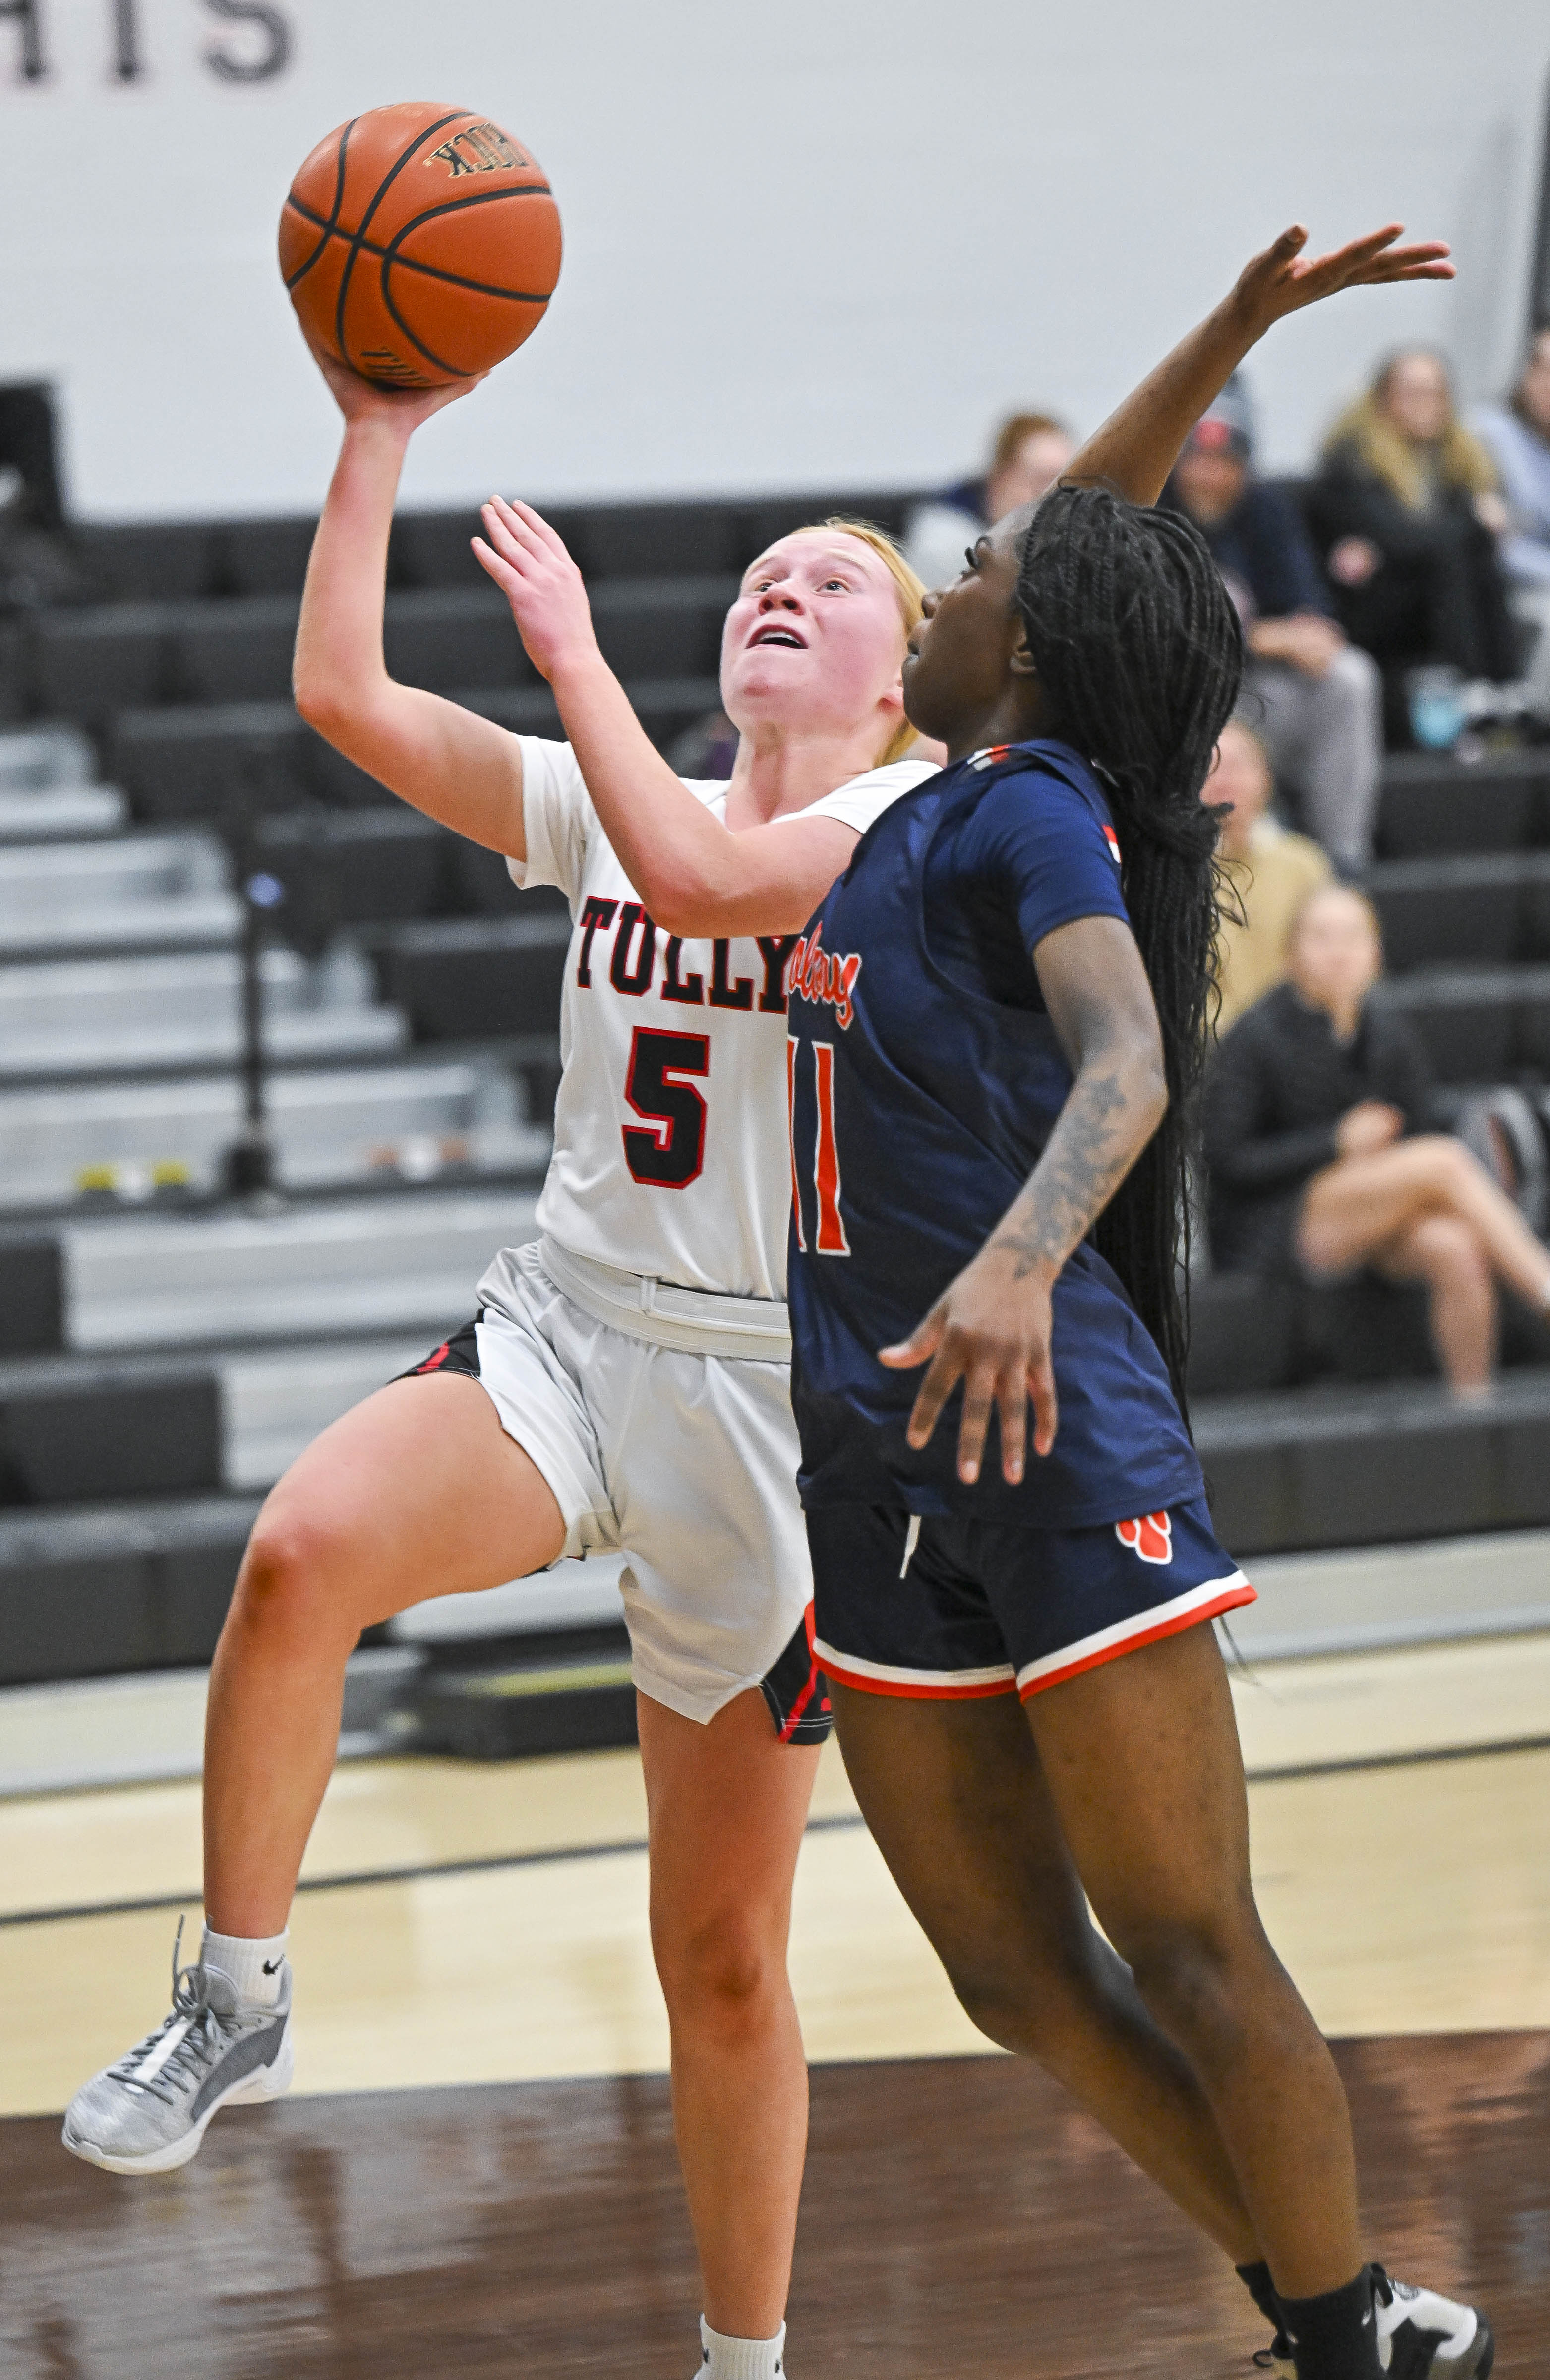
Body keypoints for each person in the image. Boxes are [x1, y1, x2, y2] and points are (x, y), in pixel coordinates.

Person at [64, 217, 1459, 2380]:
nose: (769, 589)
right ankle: (233, 1995)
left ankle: (758, 2357)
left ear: (905, 672)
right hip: (568, 1331)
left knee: (722, 1954)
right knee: (303, 1548)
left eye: (826, 579)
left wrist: (569, 657)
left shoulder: (923, 815)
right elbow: (342, 691)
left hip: (779, 1419)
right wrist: (372, 433)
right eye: (754, 572)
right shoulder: (611, 813)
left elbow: (1024, 576)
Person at [782, 488, 1493, 2380]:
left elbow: (1128, 1060)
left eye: (982, 572)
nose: (944, 590)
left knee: (1188, 1940)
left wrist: (1023, 1262)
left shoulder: (1028, 802)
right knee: (1012, 1975)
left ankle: (1343, 2333)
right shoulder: (918, 811)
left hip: (1048, 1436)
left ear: (1022, 649)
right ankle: (1344, 2315)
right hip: (873, 1463)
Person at [1203, 881, 1550, 1397]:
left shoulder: (1390, 1034)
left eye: (1352, 936)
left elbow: (1418, 1130)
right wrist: (1335, 1144)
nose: (1338, 951)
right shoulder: (1255, 1038)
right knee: (1445, 1161)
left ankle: (1474, 1417)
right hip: (1270, 1225)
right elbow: (1228, 1162)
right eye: (1321, 936)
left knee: (1456, 1248)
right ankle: (1543, 1289)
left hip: (1373, 1214)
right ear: (1290, 953)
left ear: (1376, 953)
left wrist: (1382, 1169)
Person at [1162, 379, 1382, 868]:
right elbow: (1175, 636)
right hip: (1182, 708)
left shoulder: (1266, 508)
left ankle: (1343, 860)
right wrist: (1266, 636)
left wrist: (1314, 633)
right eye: (1199, 460)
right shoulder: (1153, 515)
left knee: (1350, 676)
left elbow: (1308, 604)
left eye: (1226, 463)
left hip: (1260, 693)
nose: (1211, 475)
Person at [1308, 349, 1518, 740]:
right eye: (1413, 392)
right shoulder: (1353, 462)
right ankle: (1468, 683)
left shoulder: (1458, 462)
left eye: (1435, 392)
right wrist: (1475, 521)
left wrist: (1475, 528)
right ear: (1383, 398)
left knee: (1477, 553)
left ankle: (1505, 685)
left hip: (1428, 610)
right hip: (1366, 612)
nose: (1426, 403)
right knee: (1451, 551)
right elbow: (1401, 540)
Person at [1207, 717, 1332, 1034]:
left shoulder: (1306, 866)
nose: (1225, 779)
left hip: (1288, 1048)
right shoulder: (1168, 872)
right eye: (1209, 766)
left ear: (1266, 778)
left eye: (1237, 765)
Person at [903, 409, 1077, 594]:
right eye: (1044, 483)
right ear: (1000, 481)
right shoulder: (943, 546)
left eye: (1069, 485)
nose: (1059, 500)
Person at [1473, 326, 1550, 708]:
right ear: (1528, 376)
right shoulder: (1490, 434)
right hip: (1506, 584)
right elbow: (1500, 543)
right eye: (1547, 373)